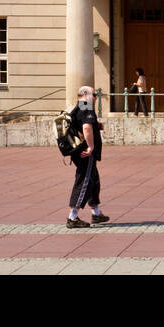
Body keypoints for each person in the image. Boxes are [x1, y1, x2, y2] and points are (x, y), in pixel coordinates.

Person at [66, 85, 109, 229]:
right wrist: (91, 147)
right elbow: (86, 127)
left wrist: (97, 126)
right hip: (85, 152)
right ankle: (73, 217)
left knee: (93, 180)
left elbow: (86, 125)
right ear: (85, 94)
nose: (96, 97)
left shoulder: (79, 107)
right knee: (84, 180)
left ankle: (96, 213)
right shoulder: (85, 106)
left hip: (80, 151)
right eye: (94, 94)